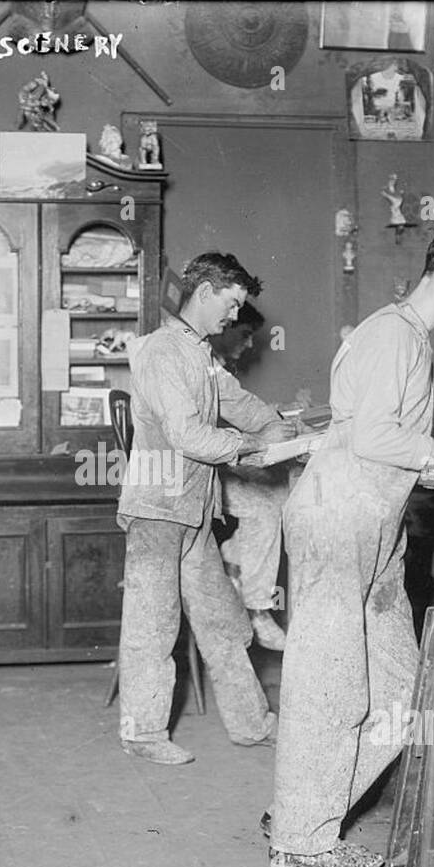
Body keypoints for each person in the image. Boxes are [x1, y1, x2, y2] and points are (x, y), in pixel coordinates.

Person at [268, 228, 434, 867]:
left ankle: (303, 806)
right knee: (332, 683)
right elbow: (380, 437)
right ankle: (303, 834)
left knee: (403, 689)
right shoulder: (389, 336)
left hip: (377, 528)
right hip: (338, 518)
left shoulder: (416, 341)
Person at [117, 253, 293, 765]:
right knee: (153, 625)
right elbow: (189, 436)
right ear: (205, 292)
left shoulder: (198, 352)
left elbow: (235, 403)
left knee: (222, 620)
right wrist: (252, 446)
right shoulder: (163, 352)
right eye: (232, 303)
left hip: (193, 509)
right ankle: (143, 733)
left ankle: (251, 722)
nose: (236, 317)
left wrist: (282, 427)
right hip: (157, 508)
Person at [212, 301, 297, 651]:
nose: (249, 345)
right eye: (245, 335)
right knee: (265, 508)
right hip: (193, 477)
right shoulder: (203, 365)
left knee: (281, 495)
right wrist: (260, 436)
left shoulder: (220, 368)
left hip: (217, 465)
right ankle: (259, 611)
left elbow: (241, 412)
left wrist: (275, 423)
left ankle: (233, 556)